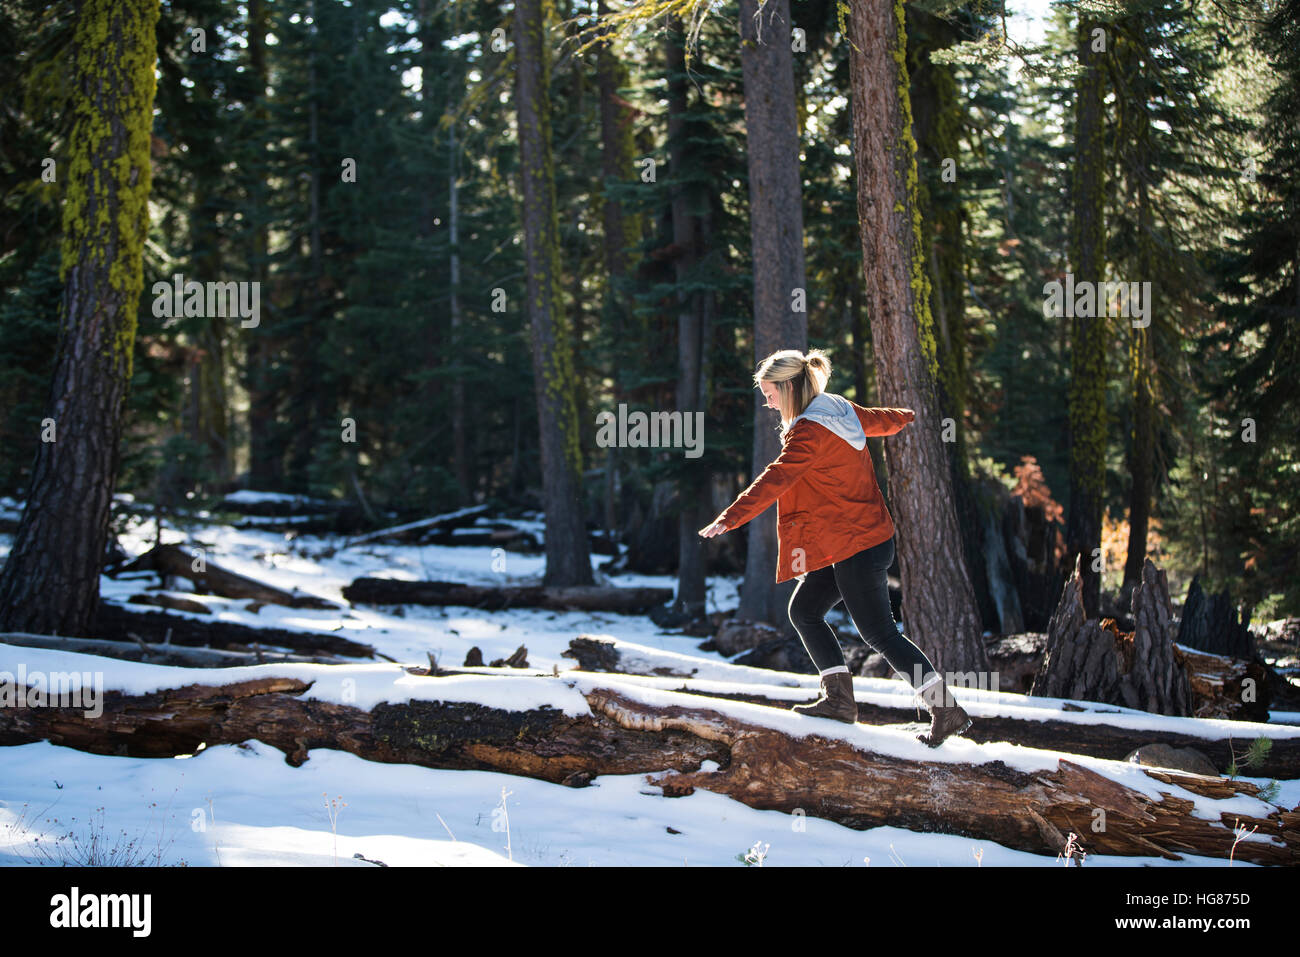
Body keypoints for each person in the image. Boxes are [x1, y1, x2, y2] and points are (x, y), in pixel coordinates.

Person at [698, 348, 972, 747]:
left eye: (771, 393)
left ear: (790, 387)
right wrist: (909, 417)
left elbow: (777, 479)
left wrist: (731, 517)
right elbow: (883, 420)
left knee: (880, 634)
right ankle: (838, 700)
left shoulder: (809, 431)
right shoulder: (839, 410)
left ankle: (945, 709)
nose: (767, 402)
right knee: (804, 611)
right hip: (856, 540)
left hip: (856, 544)